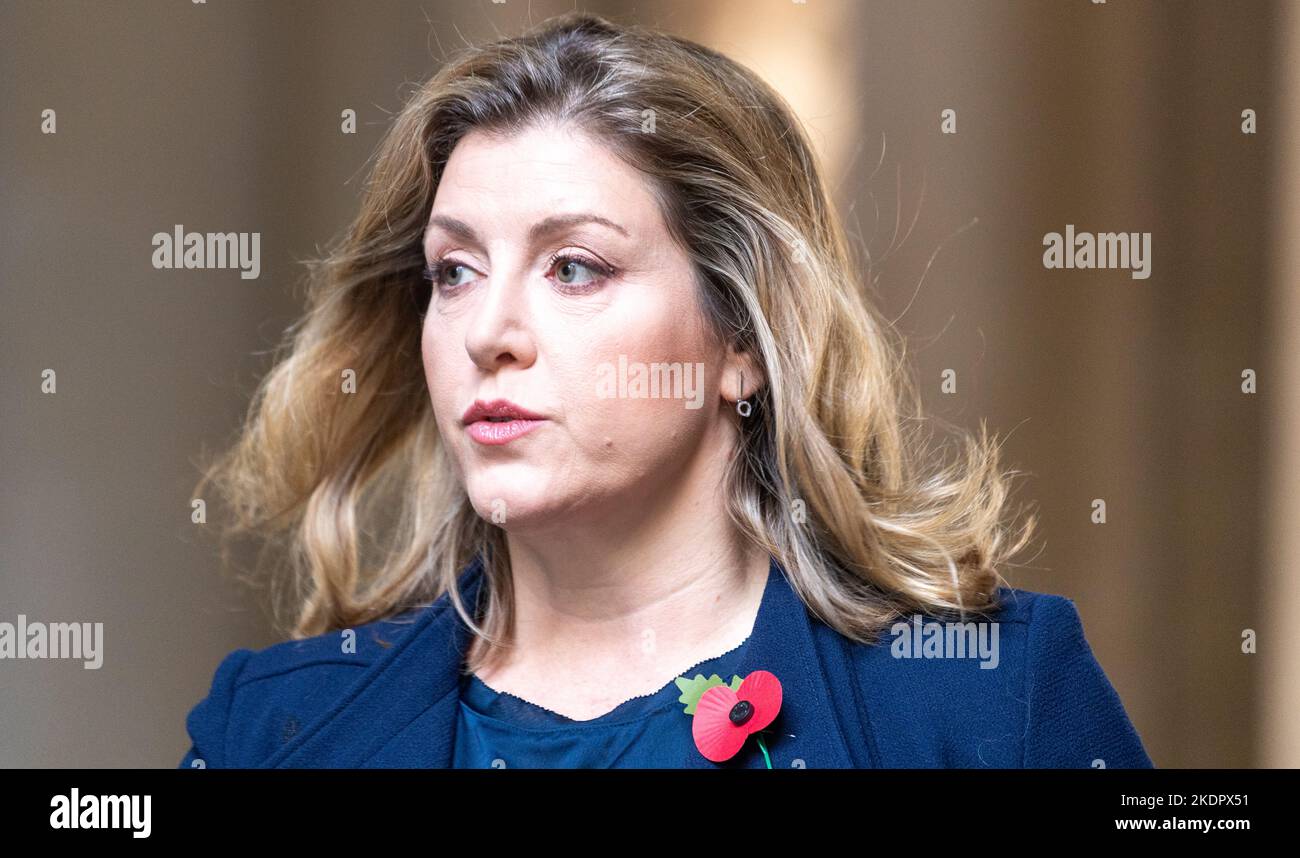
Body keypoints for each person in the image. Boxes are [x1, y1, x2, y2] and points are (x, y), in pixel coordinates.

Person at [179, 11, 1152, 769]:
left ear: (743, 339)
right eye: (454, 272)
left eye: (574, 268)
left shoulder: (986, 699)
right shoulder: (268, 728)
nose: (487, 334)